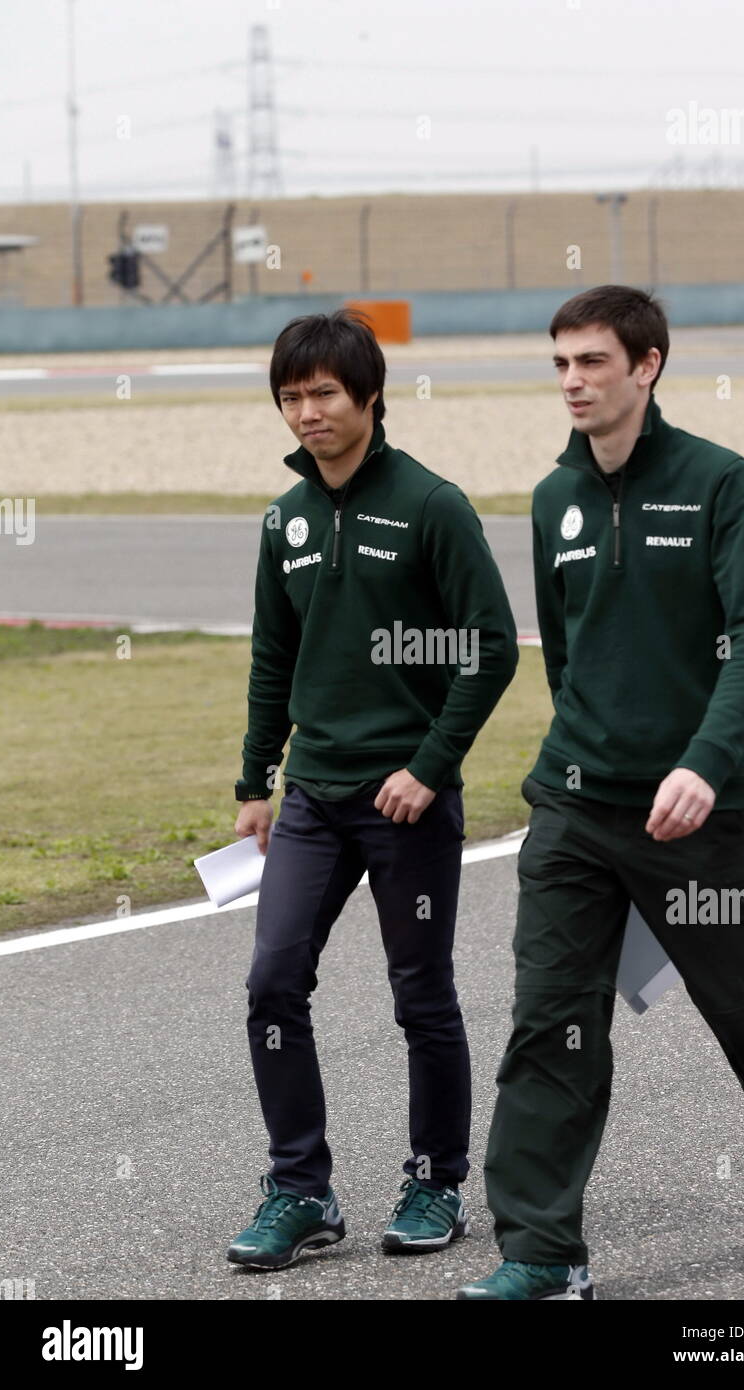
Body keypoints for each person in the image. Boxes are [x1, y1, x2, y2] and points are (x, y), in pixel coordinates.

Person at [457, 284, 744, 1301]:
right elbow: (568, 652)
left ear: (646, 366)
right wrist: (587, 753)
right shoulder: (554, 500)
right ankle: (542, 1253)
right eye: (557, 363)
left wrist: (702, 760)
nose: (570, 382)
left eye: (590, 361)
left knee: (743, 1007)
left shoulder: (716, 480)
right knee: (549, 1022)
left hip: (694, 813)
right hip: (573, 808)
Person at [226, 309, 518, 1272]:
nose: (306, 412)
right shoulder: (285, 520)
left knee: (420, 995)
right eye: (291, 395)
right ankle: (300, 1189)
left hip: (409, 800)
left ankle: (436, 1180)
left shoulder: (432, 506)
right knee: (273, 981)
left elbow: (490, 648)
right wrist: (255, 779)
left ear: (369, 397)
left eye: (324, 394)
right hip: (311, 795)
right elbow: (275, 656)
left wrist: (428, 767)